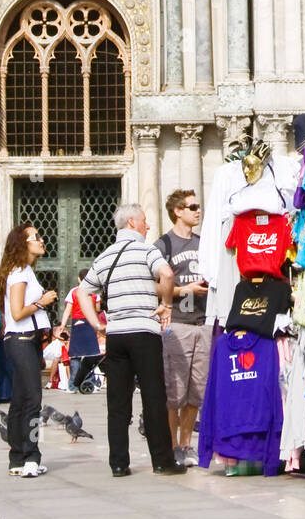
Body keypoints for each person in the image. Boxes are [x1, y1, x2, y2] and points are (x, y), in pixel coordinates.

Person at [79, 204, 185, 479]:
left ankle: (118, 464)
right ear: (132, 223)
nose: (148, 227)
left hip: (116, 334)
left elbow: (83, 291)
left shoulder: (104, 256)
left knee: (117, 403)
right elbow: (168, 274)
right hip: (144, 332)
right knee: (153, 398)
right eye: (145, 222)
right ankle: (162, 461)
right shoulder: (147, 250)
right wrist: (166, 304)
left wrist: (96, 324)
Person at [0, 224, 57, 478]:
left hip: (25, 340)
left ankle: (17, 457)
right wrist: (41, 303)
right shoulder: (19, 272)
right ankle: (31, 455)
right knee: (33, 399)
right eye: (36, 237)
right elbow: (18, 312)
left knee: (20, 400)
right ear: (23, 244)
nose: (42, 241)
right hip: (20, 339)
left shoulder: (24, 271)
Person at [154, 189, 212, 464]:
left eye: (198, 207)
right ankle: (172, 445)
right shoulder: (163, 245)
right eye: (192, 207)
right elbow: (152, 284)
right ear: (178, 211)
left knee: (196, 390)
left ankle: (187, 444)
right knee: (174, 391)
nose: (197, 211)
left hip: (202, 322)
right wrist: (180, 289)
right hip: (177, 323)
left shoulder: (204, 244)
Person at [55, 269, 102, 391]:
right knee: (91, 354)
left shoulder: (73, 292)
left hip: (77, 324)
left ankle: (73, 384)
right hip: (90, 323)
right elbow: (97, 309)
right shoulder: (95, 293)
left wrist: (62, 325)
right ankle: (89, 382)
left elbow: (67, 310)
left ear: (79, 279)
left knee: (75, 355)